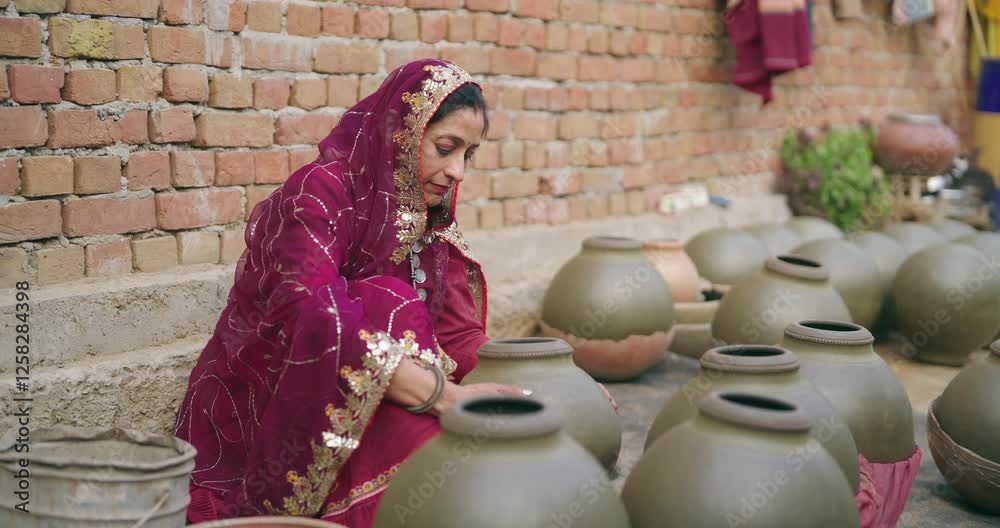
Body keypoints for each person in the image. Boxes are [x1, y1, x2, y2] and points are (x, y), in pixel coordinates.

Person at [174, 59, 523, 526]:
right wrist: (438, 395)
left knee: (467, 458)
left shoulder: (426, 217)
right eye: (445, 148)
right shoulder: (320, 195)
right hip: (281, 402)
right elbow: (308, 313)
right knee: (387, 305)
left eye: (469, 154)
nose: (457, 171)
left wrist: (533, 382)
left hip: (391, 390)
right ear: (401, 133)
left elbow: (457, 335)